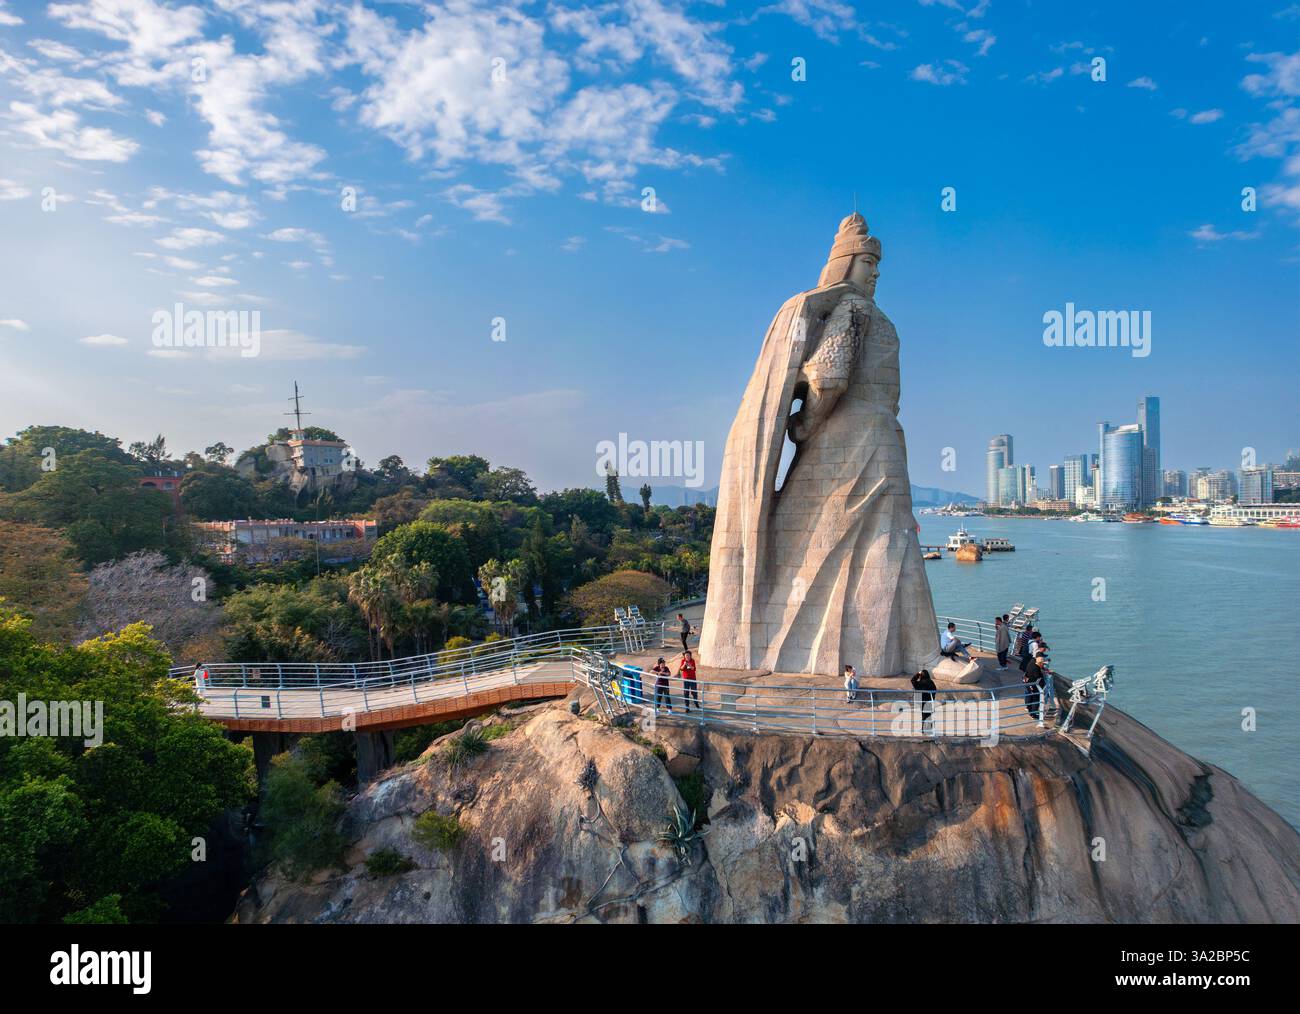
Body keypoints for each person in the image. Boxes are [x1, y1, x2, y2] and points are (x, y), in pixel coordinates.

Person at [911, 669, 938, 735]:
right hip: (930, 701)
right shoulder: (931, 682)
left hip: (923, 702)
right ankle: (929, 729)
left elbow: (913, 680)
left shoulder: (920, 683)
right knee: (929, 715)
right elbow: (935, 690)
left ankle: (924, 730)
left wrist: (918, 674)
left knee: (924, 715)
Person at [1023, 650, 1047, 723]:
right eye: (1042, 663)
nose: (1043, 664)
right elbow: (1037, 677)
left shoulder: (1032, 662)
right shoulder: (1036, 667)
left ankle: (1030, 710)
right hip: (1033, 685)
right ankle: (1033, 714)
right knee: (1036, 699)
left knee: (1030, 697)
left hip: (1028, 683)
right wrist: (1043, 675)